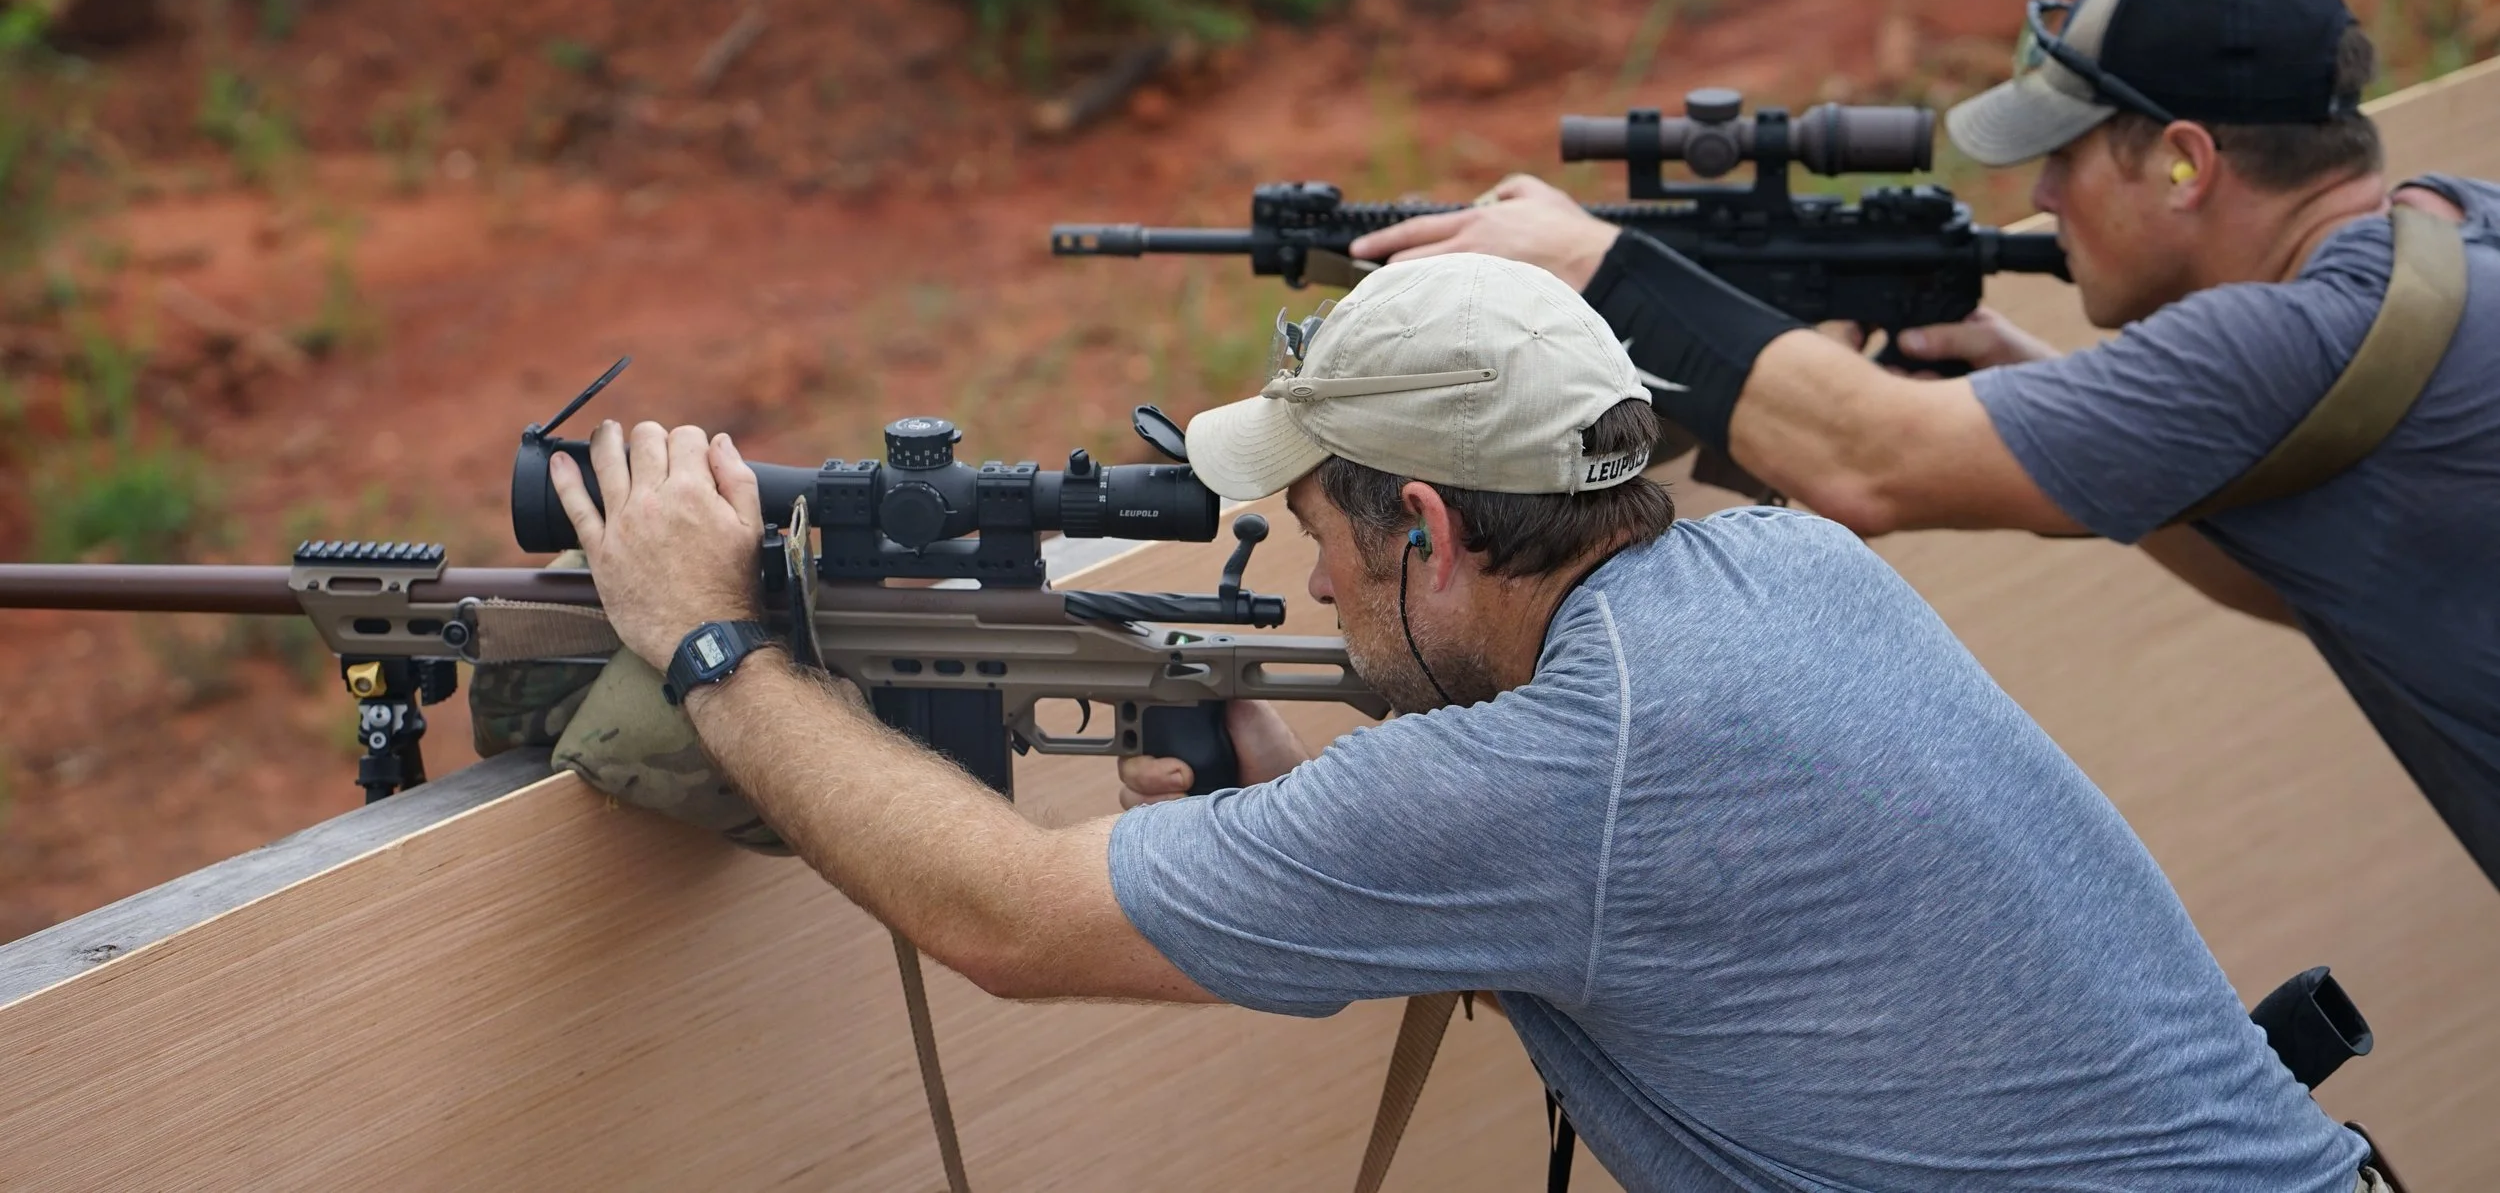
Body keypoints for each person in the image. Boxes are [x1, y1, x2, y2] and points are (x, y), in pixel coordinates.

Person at [550, 251, 2374, 1192]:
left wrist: (712, 641)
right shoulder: (1793, 571)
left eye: (1322, 528)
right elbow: (1673, 913)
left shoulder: (1566, 768)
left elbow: (1007, 923)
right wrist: (1303, 822)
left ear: (1424, 526)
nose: (1311, 578)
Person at [1350, 0, 2500, 893]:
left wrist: (1596, 263)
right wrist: (2034, 399)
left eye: (2066, 154)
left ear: (2184, 163)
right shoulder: (2455, 226)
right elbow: (2307, 581)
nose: (2040, 192)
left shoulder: (2290, 338)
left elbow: (1866, 461)